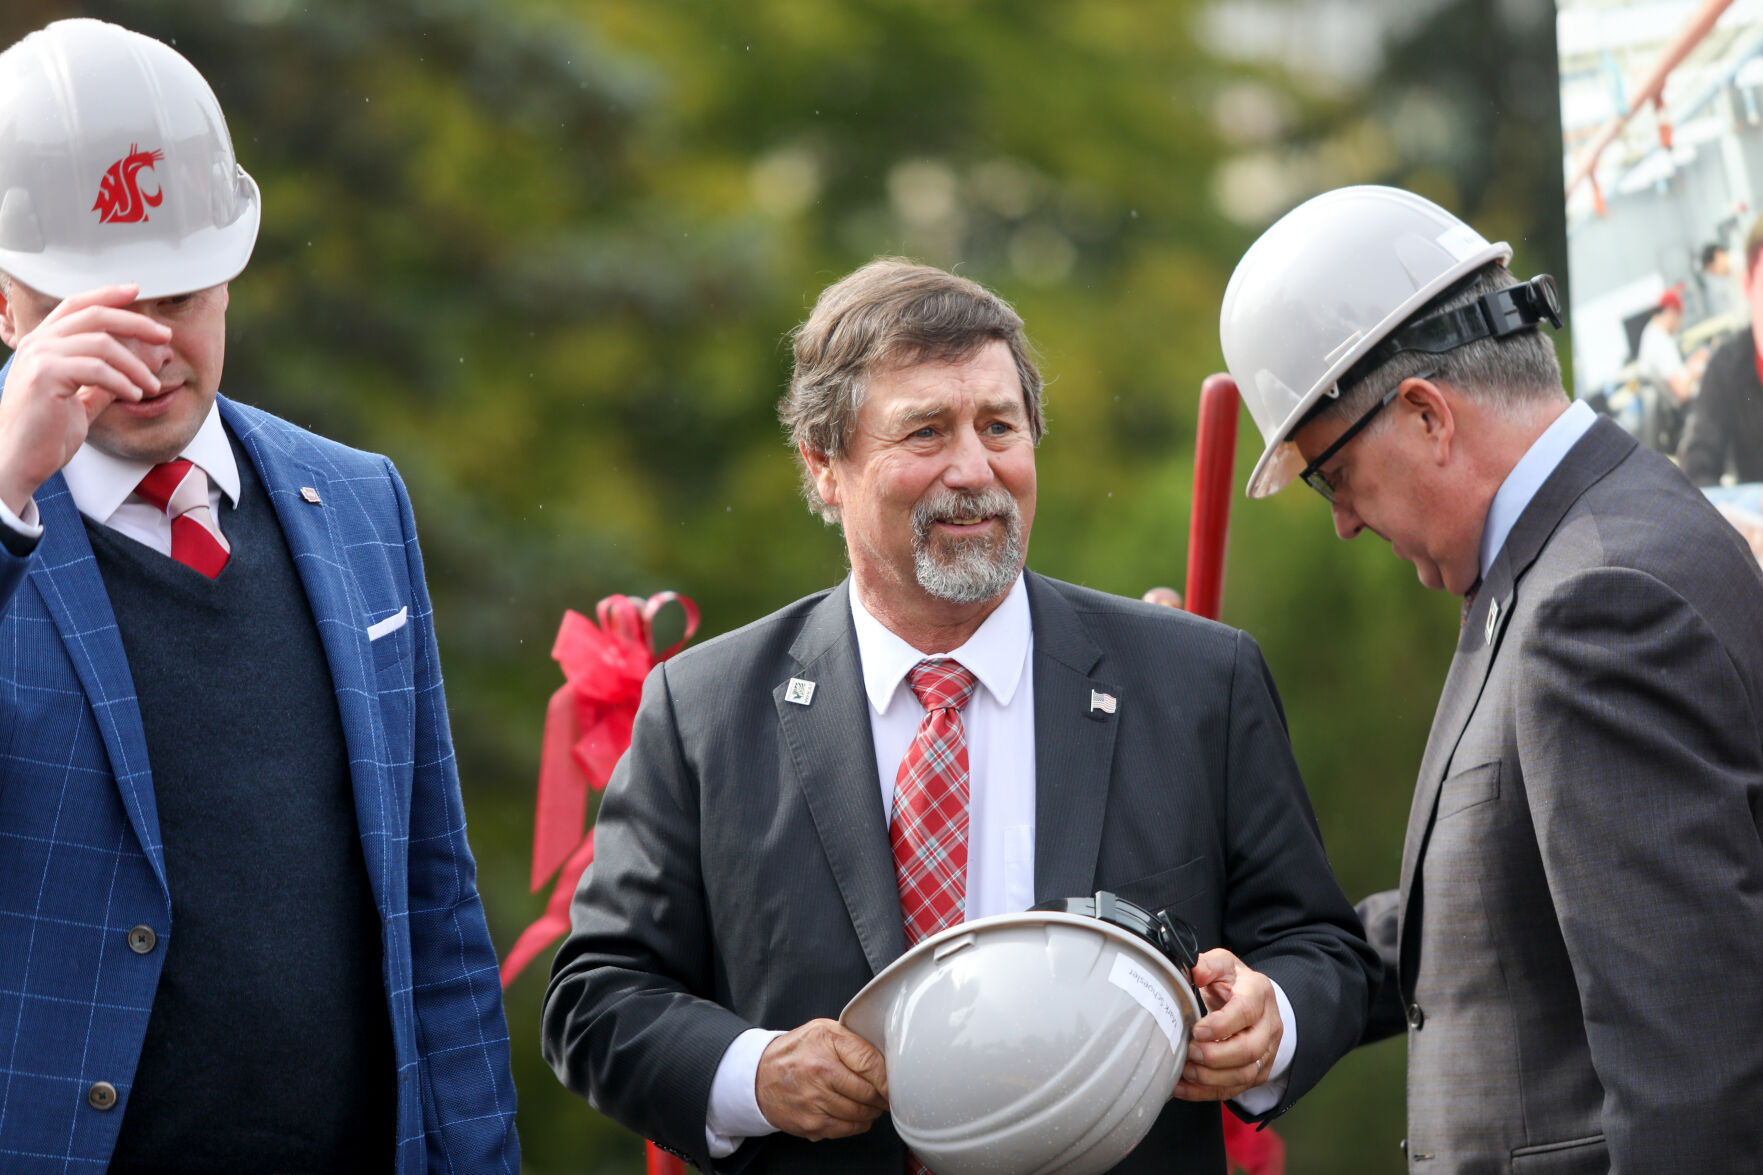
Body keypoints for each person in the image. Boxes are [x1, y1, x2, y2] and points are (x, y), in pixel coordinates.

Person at [542, 258, 1377, 1173]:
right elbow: (596, 997)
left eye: (998, 427)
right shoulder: (702, 710)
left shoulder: (1198, 681)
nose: (973, 470)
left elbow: (1319, 946)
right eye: (926, 432)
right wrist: (757, 1072)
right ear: (824, 467)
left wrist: (1272, 1017)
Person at [0, 20, 518, 1173]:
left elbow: (432, 896)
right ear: (5, 307)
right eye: (96, 309)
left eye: (180, 297)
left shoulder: (358, 500)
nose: (148, 348)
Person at [1222, 185, 1763, 1171]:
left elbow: (1690, 1070)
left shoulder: (1594, 602)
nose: (1341, 521)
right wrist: (1287, 994)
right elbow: (1503, 900)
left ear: (1424, 413)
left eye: (1328, 477)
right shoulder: (1584, 550)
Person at [1679, 218, 1763, 485]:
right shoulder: (1726, 371)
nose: (1715, 275)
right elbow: (1697, 469)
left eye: (1711, 270)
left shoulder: (1740, 266)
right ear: (1749, 284)